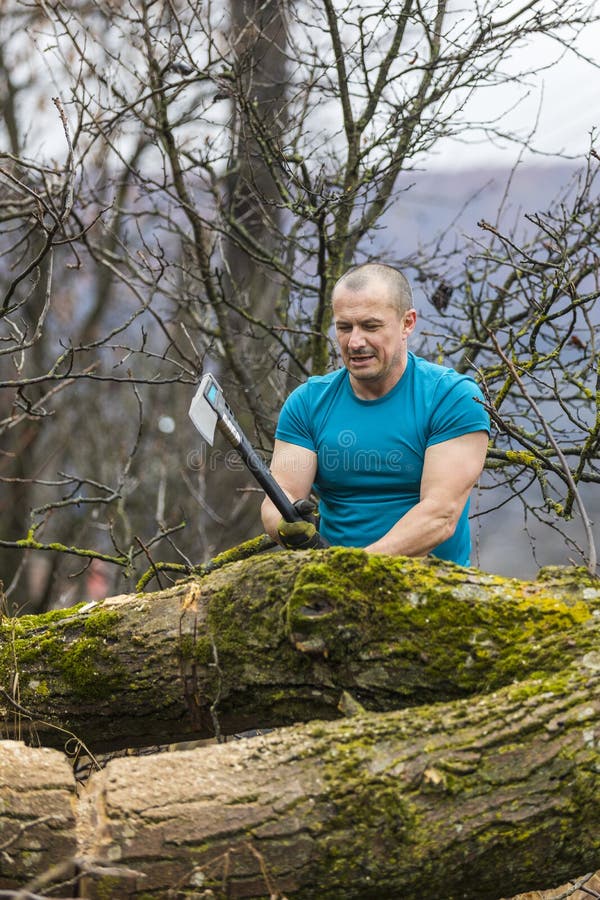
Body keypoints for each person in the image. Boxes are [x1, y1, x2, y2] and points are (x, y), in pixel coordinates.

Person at [260, 263, 490, 566]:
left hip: (434, 592)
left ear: (407, 323)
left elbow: (440, 515)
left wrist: (354, 568)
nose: (355, 342)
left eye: (370, 326)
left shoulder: (451, 397)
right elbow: (283, 492)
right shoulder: (308, 403)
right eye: (344, 327)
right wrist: (284, 525)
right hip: (332, 594)